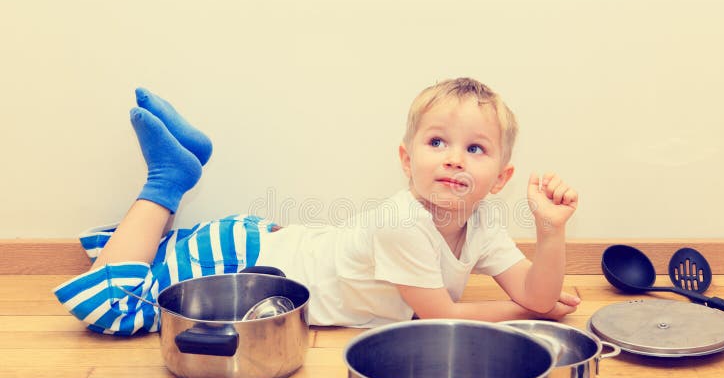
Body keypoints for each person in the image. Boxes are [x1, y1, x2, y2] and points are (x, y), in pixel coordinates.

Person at [54, 78, 580, 335]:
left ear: (500, 180)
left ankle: (172, 183)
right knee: (113, 305)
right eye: (437, 142)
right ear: (406, 158)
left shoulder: (483, 220)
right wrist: (531, 309)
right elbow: (440, 316)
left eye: (476, 149)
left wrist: (549, 232)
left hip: (270, 249)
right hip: (246, 264)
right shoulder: (404, 224)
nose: (453, 161)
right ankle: (170, 180)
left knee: (144, 265)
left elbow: (537, 290)